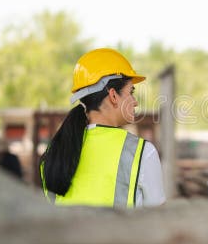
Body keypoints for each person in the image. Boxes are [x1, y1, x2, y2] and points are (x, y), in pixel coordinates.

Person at [41, 48, 165, 208]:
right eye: (131, 92)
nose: (135, 102)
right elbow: (158, 222)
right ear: (113, 95)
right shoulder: (141, 152)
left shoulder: (55, 152)